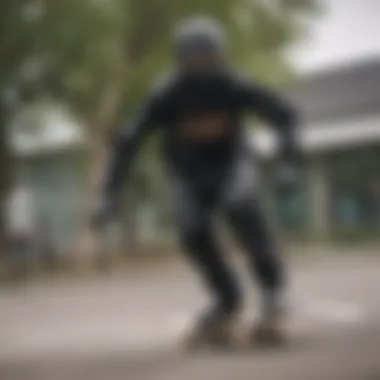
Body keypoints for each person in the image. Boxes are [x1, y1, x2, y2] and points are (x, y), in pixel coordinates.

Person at [92, 16, 300, 346]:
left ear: (221, 56)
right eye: (195, 57)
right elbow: (128, 142)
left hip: (232, 165)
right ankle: (227, 302)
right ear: (182, 59)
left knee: (241, 209)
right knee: (192, 232)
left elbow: (286, 117)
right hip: (187, 174)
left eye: (210, 56)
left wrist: (287, 162)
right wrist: (108, 195)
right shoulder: (167, 94)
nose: (203, 64)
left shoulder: (234, 85)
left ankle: (274, 296)